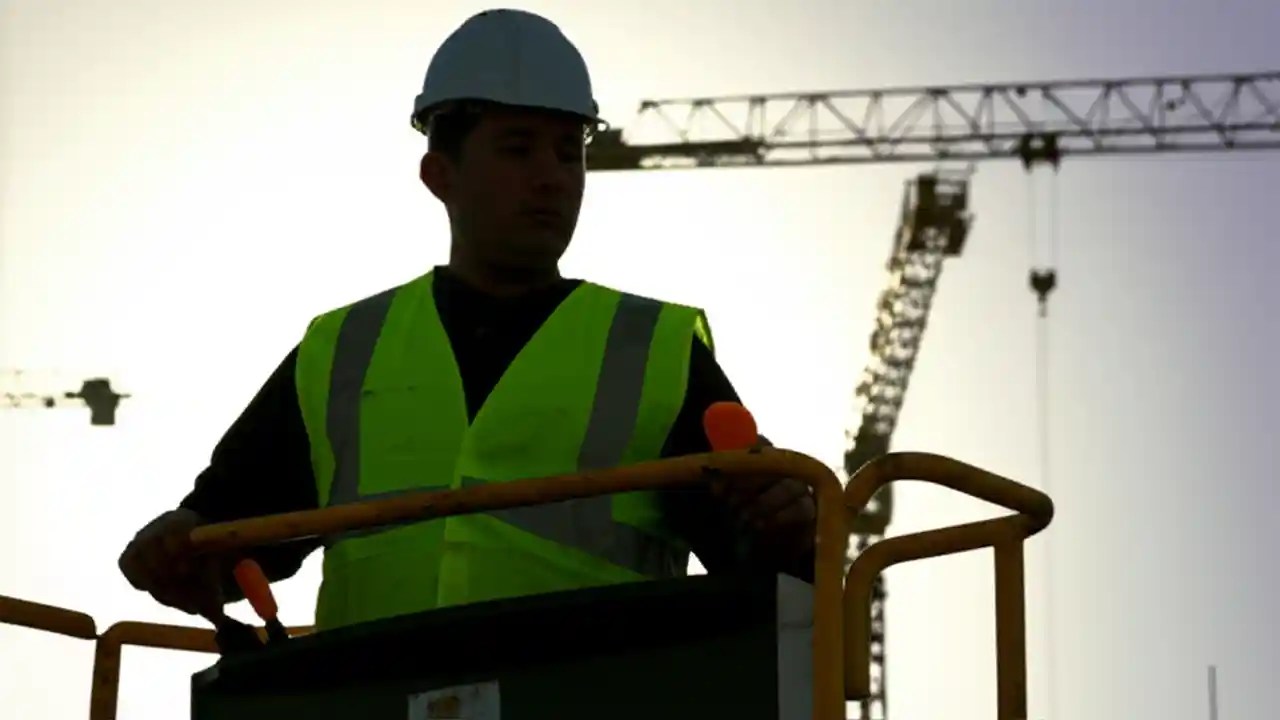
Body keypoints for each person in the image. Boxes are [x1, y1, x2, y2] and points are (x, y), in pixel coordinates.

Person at [117, 9, 816, 632]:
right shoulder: (339, 352)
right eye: (518, 148)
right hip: (372, 701)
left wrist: (790, 529)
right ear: (439, 175)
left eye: (568, 152)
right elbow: (224, 534)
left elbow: (767, 570)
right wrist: (180, 547)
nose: (552, 176)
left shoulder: (653, 349)